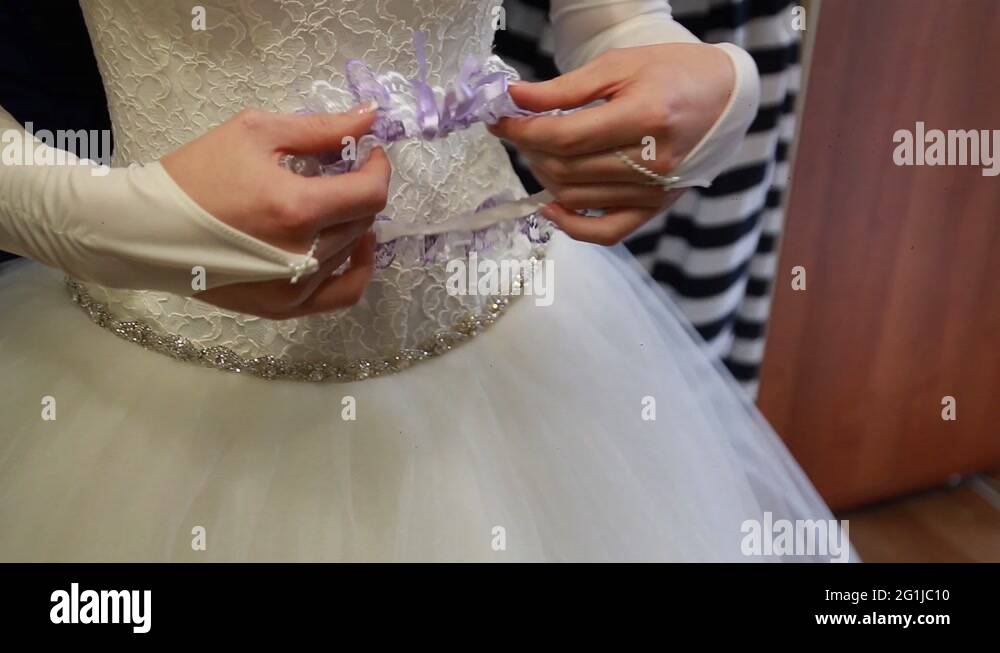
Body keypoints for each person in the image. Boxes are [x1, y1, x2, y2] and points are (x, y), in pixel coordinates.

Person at [0, 0, 841, 561]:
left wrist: (674, 63)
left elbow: (616, 14)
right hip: (154, 389)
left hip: (516, 353)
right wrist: (101, 220)